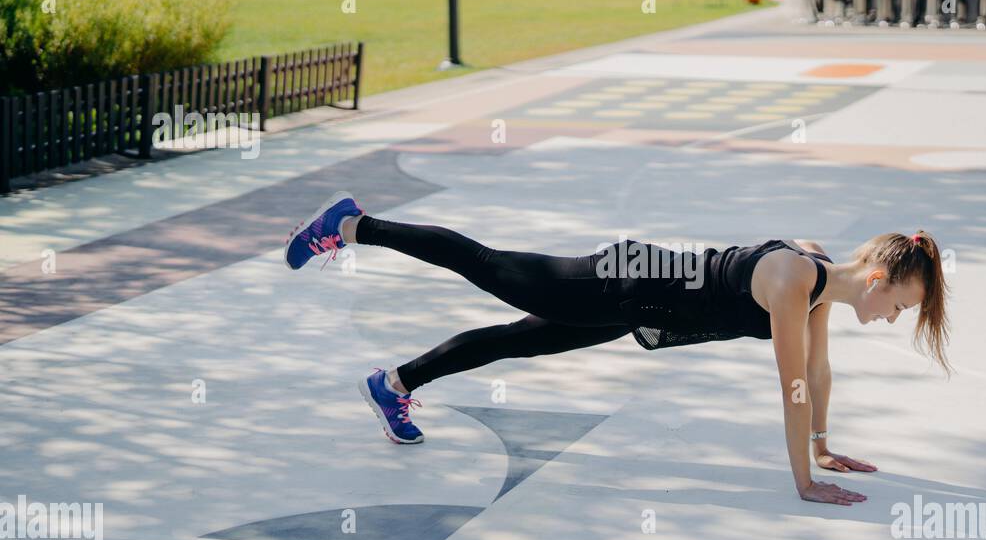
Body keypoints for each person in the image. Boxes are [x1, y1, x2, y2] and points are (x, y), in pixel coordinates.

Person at [284, 193, 951, 506]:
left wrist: (824, 444)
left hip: (637, 300)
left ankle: (394, 385)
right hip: (624, 282)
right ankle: (352, 224)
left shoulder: (818, 277)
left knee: (520, 342)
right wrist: (804, 480)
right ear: (875, 280)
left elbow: (817, 371)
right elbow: (792, 388)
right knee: (491, 267)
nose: (891, 319)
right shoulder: (794, 280)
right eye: (898, 306)